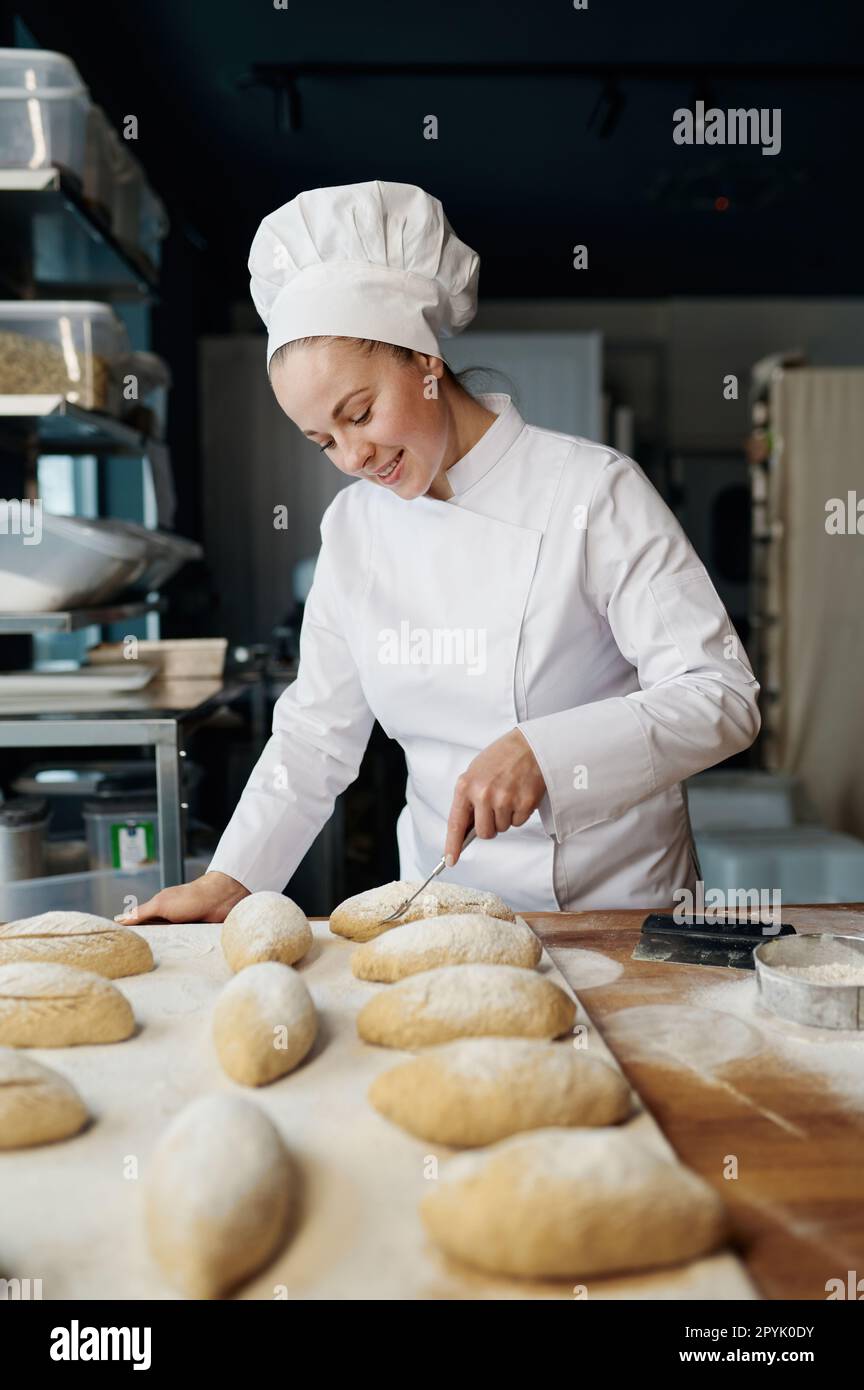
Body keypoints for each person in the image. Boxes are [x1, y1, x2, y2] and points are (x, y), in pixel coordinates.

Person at [122, 179, 760, 926]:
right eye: (324, 440)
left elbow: (721, 696)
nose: (355, 455)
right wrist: (232, 880)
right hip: (444, 911)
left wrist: (543, 752)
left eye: (360, 413)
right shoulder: (354, 531)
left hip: (620, 914)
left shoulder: (593, 490)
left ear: (424, 361)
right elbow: (314, 738)